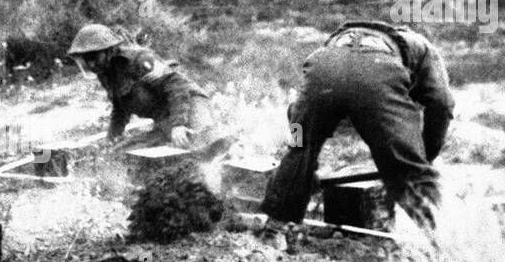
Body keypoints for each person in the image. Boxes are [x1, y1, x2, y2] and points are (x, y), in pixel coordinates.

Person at [260, 20, 455, 228]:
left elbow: (296, 113)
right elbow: (442, 105)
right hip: (377, 77)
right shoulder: (424, 49)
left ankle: (276, 227)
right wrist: (423, 159)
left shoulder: (339, 43)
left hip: (323, 67)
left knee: (298, 150)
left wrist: (302, 160)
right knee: (409, 173)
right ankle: (445, 238)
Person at [65, 23, 216, 148]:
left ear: (109, 51)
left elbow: (176, 84)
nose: (90, 64)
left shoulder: (138, 60)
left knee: (205, 144)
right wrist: (111, 139)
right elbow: (120, 109)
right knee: (123, 150)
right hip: (165, 118)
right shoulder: (106, 73)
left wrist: (178, 125)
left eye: (93, 57)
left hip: (190, 103)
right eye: (86, 58)